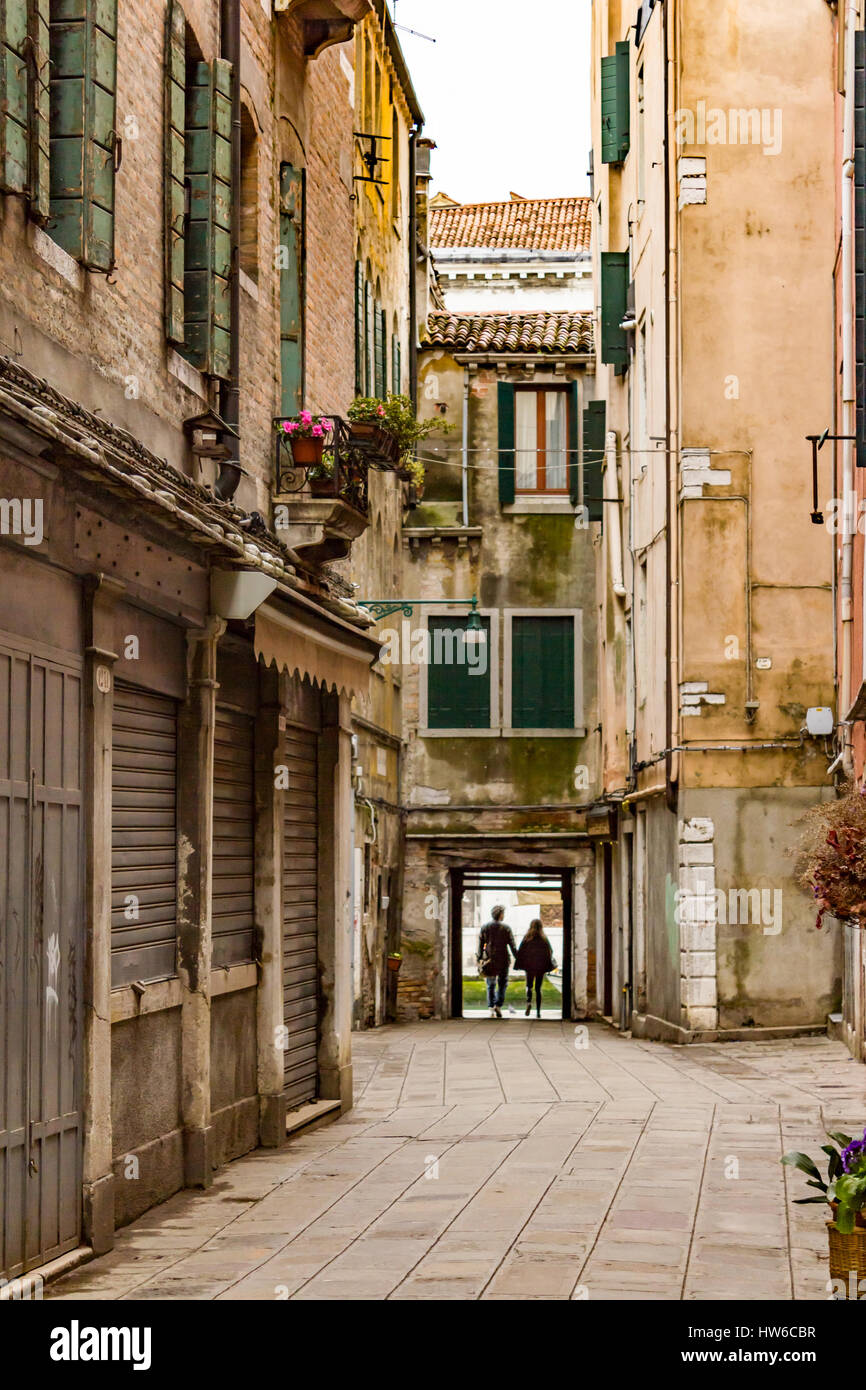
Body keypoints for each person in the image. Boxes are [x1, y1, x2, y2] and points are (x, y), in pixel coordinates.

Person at [477, 905, 518, 1018]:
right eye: (503, 913)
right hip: (503, 959)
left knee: (491, 983)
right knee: (502, 983)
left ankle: (491, 1007)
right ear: (500, 914)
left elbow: (481, 944)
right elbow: (512, 945)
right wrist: (518, 958)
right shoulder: (506, 928)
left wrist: (480, 957)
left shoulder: (485, 927)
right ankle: (498, 1005)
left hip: (490, 959)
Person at [515, 919, 555, 1018]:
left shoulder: (527, 938)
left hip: (529, 966)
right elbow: (550, 951)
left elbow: (520, 951)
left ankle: (528, 1002)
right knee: (538, 988)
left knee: (529, 986)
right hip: (540, 967)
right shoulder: (544, 938)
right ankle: (538, 1012)